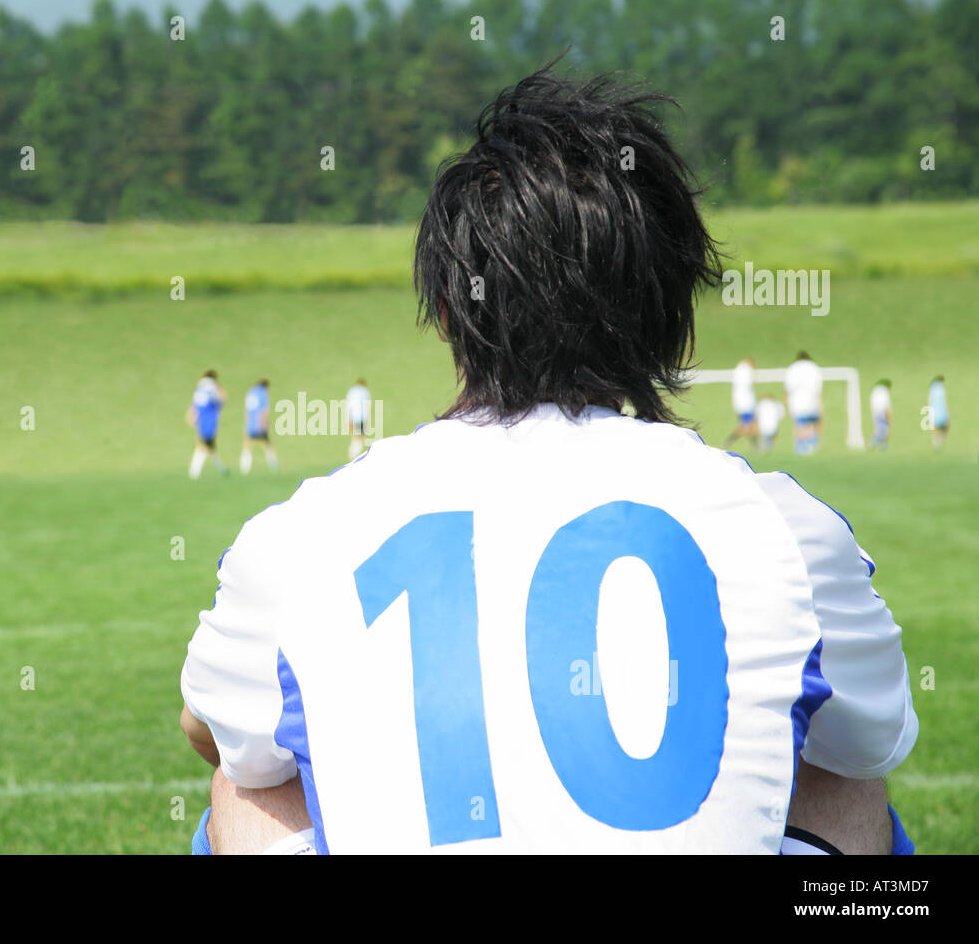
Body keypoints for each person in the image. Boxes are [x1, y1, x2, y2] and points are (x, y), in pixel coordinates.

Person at [181, 66, 917, 855]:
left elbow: (208, 727)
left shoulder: (300, 533)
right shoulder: (788, 526)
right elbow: (869, 745)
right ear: (674, 317)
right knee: (836, 767)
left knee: (244, 779)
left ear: (443, 311)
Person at [186, 371, 227, 479]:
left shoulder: (199, 388)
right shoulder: (212, 388)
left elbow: (194, 405)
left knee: (209, 444)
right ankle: (194, 471)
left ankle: (220, 468)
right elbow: (221, 400)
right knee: (205, 444)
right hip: (210, 419)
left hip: (202, 419)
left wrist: (191, 416)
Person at [784, 351, 823, 455]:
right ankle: (811, 449)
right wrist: (821, 409)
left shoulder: (792, 368)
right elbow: (818, 390)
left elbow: (787, 390)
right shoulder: (814, 368)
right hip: (812, 403)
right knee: (813, 426)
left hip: (797, 404)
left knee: (800, 428)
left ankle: (801, 451)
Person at [240, 379, 278, 475]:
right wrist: (264, 424)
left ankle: (244, 468)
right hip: (260, 424)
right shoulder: (262, 394)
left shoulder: (250, 393)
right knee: (267, 445)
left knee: (247, 446)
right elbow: (264, 411)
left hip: (250, 424)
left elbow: (247, 411)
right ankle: (274, 466)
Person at [723, 358, 757, 449]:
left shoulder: (739, 370)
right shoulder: (746, 371)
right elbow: (751, 382)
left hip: (741, 404)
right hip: (746, 405)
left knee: (749, 426)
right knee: (747, 426)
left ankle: (755, 447)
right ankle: (730, 441)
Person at [345, 379, 372, 459]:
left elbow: (348, 405)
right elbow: (368, 405)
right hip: (362, 417)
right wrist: (368, 420)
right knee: (361, 438)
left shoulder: (351, 391)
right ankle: (355, 456)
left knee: (355, 437)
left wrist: (347, 419)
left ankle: (353, 455)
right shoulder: (365, 391)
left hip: (353, 417)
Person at [927, 376, 949, 450]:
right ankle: (938, 442)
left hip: (935, 409)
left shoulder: (933, 387)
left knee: (937, 427)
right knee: (942, 427)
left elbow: (930, 399)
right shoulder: (940, 387)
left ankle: (937, 443)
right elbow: (943, 400)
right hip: (939, 409)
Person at [869, 379, 892, 450]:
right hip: (881, 413)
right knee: (882, 429)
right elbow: (886, 407)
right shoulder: (884, 393)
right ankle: (875, 444)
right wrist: (888, 417)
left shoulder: (876, 392)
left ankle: (877, 444)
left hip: (877, 412)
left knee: (881, 428)